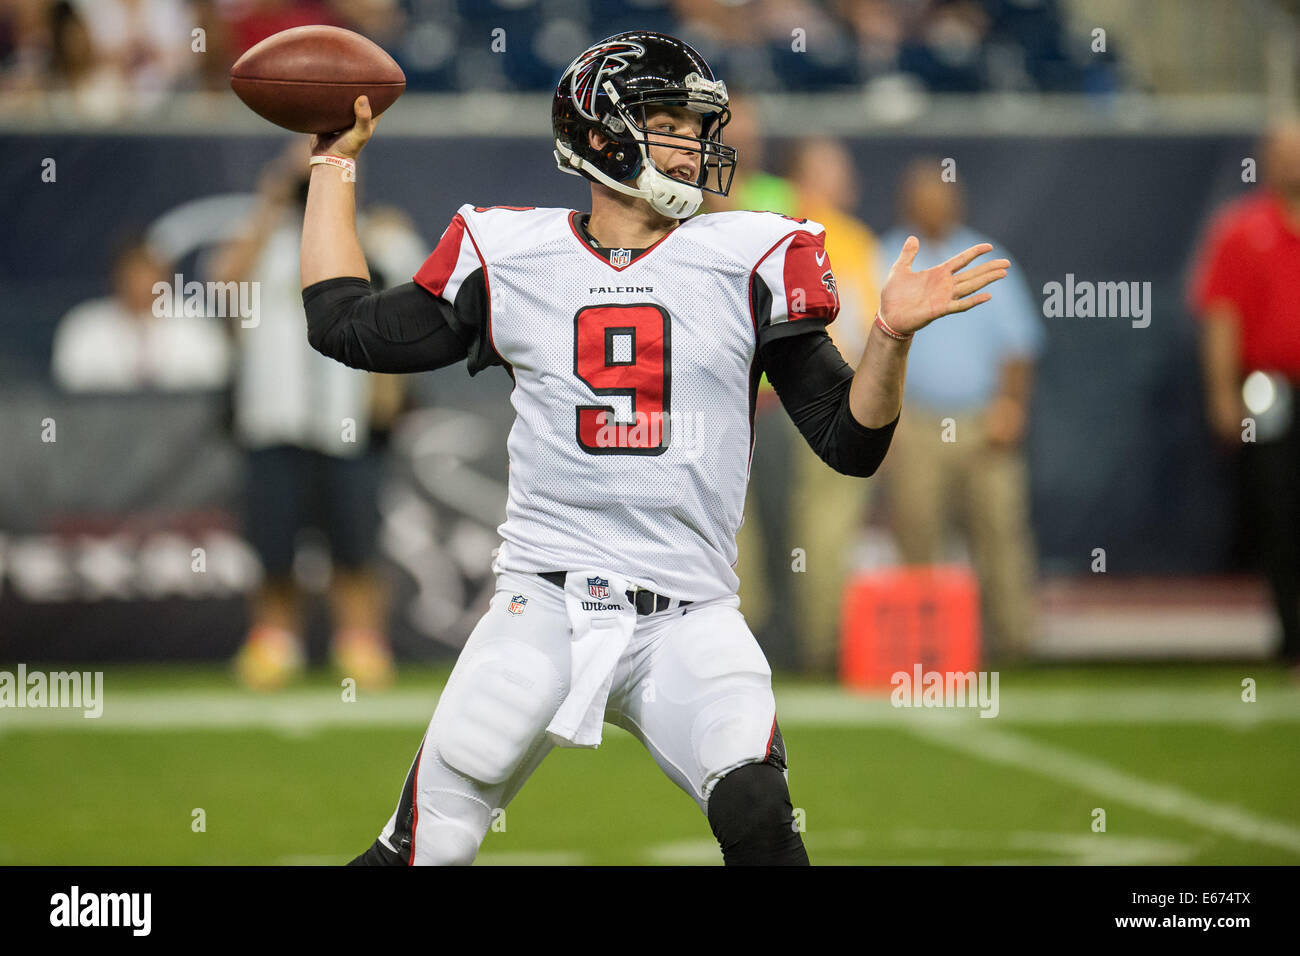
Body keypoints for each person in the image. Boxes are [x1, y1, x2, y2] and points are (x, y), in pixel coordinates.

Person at [297, 31, 1008, 866]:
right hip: (543, 607)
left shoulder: (751, 256)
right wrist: (331, 165)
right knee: (425, 851)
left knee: (756, 808)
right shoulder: (513, 254)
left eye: (697, 124)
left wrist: (888, 336)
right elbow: (344, 324)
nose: (698, 143)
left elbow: (850, 443)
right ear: (601, 136)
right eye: (670, 121)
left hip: (689, 614)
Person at [210, 142, 406, 692]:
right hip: (273, 417)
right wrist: (271, 199)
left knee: (356, 544)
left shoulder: (374, 235)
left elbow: (401, 305)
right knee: (274, 545)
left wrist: (340, 195)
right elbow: (223, 286)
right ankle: (274, 644)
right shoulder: (263, 242)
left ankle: (362, 644)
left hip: (347, 420)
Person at [876, 158, 1042, 662]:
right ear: (908, 204)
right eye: (925, 196)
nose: (936, 205)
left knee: (1001, 531)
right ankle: (923, 649)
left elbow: (1018, 345)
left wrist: (1010, 405)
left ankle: (1015, 643)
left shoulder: (982, 256)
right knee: (917, 534)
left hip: (978, 420)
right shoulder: (885, 258)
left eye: (943, 194)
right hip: (916, 423)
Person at [1189, 119, 1300, 670]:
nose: (1292, 163)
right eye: (1282, 153)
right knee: (1278, 508)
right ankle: (1292, 633)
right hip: (1271, 387)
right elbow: (1221, 316)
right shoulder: (1241, 228)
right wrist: (1221, 393)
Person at [52, 236, 229, 392]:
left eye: (149, 273)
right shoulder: (84, 327)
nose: (142, 283)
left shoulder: (196, 323)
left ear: (166, 276)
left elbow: (216, 383)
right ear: (116, 276)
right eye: (133, 274)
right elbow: (70, 391)